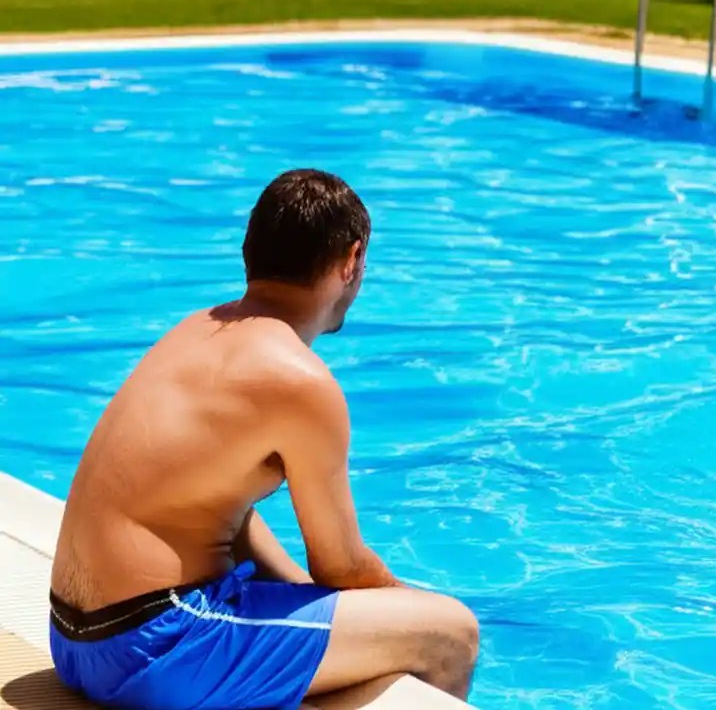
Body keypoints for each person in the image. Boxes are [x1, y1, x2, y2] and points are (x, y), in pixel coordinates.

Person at [48, 169, 480, 710]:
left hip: (74, 640)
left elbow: (228, 514)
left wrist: (321, 607)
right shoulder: (299, 380)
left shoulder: (195, 330)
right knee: (451, 633)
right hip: (159, 649)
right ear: (352, 259)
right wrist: (403, 605)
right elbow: (341, 568)